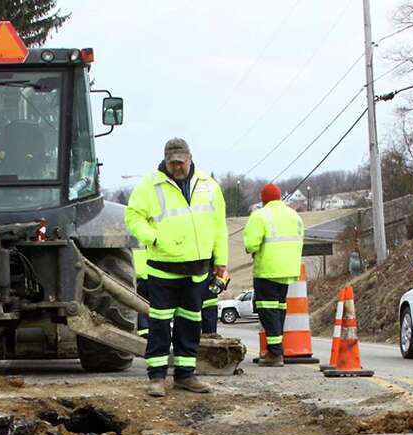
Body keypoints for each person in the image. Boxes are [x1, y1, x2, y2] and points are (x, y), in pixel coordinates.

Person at [124, 137, 228, 397]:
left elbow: (219, 228)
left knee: (190, 323)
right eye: (172, 163)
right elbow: (133, 216)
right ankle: (156, 377)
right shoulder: (150, 185)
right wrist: (154, 238)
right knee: (160, 323)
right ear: (166, 160)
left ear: (190, 158)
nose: (177, 167)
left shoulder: (208, 186)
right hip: (163, 268)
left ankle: (185, 375)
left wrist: (221, 262)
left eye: (181, 162)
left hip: (197, 270)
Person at [242, 183, 304, 366]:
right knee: (278, 309)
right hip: (288, 270)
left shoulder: (260, 215)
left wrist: (252, 249)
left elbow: (251, 244)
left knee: (267, 310)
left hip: (267, 269)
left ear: (263, 199)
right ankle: (276, 350)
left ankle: (275, 354)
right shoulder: (294, 215)